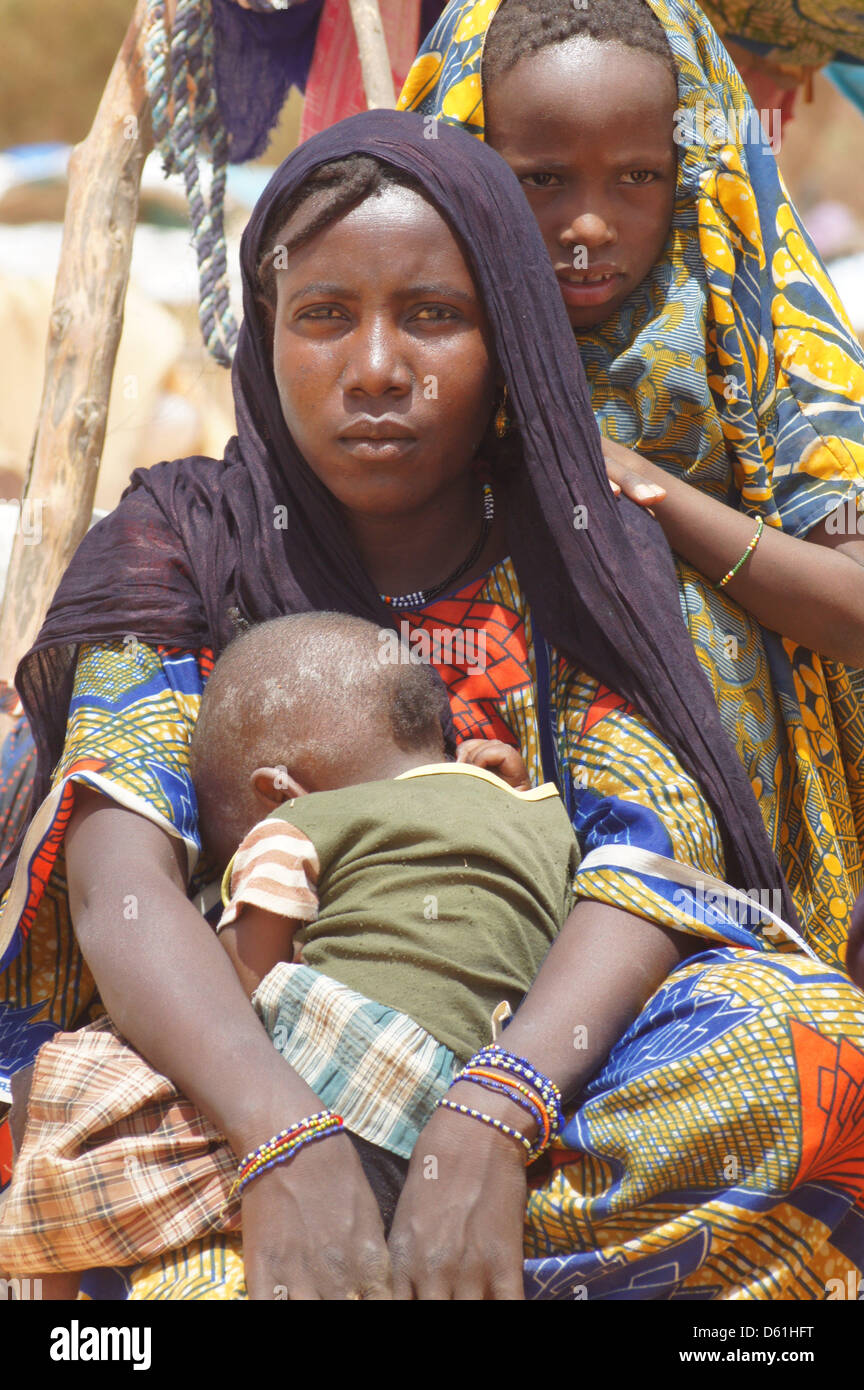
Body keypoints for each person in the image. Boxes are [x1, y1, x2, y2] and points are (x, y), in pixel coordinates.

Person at [0, 111, 862, 1301]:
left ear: (508, 335)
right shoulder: (186, 540)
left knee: (805, 1038)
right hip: (242, 1072)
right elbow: (119, 874)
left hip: (545, 1071)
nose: (375, 370)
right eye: (323, 316)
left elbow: (653, 856)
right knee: (93, 1151)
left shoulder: (580, 542)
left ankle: (433, 1246)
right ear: (265, 334)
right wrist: (285, 1139)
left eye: (435, 316)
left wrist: (496, 1105)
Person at [399, 0, 864, 972]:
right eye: (543, 179)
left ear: (693, 170)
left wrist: (651, 491)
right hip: (454, 901)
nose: (590, 224)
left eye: (641, 176)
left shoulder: (760, 337)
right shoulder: (397, 346)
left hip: (737, 903)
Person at [0, 609, 580, 1288]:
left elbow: (248, 981)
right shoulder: (542, 814)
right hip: (468, 1111)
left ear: (276, 792)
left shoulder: (294, 825)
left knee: (58, 1077)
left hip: (346, 1095)